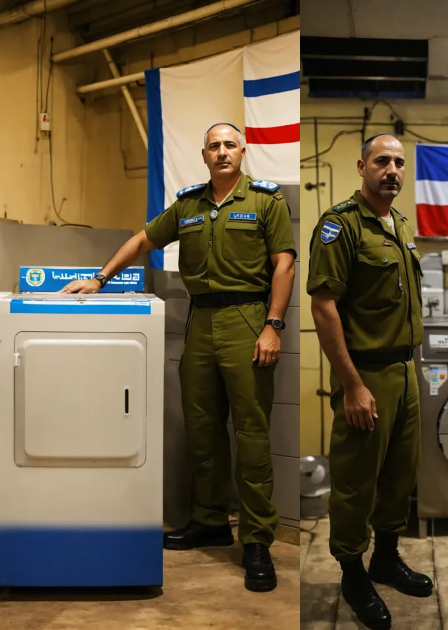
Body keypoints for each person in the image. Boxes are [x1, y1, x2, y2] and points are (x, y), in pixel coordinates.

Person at [62, 122, 295, 592]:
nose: (223, 152)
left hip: (248, 320)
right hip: (201, 324)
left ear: (243, 151)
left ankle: (256, 541)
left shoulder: (266, 202)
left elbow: (284, 263)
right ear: (204, 155)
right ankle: (208, 520)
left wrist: (274, 324)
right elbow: (143, 240)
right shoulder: (188, 205)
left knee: (251, 436)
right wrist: (100, 278)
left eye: (230, 144)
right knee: (202, 430)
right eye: (214, 146)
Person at [308, 134, 430, 630]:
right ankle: (353, 572)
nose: (392, 170)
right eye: (382, 161)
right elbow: (323, 306)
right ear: (362, 167)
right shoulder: (340, 225)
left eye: (400, 163)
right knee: (357, 481)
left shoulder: (399, 224)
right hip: (368, 373)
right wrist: (353, 385)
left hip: (405, 369)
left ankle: (386, 557)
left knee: (400, 475)